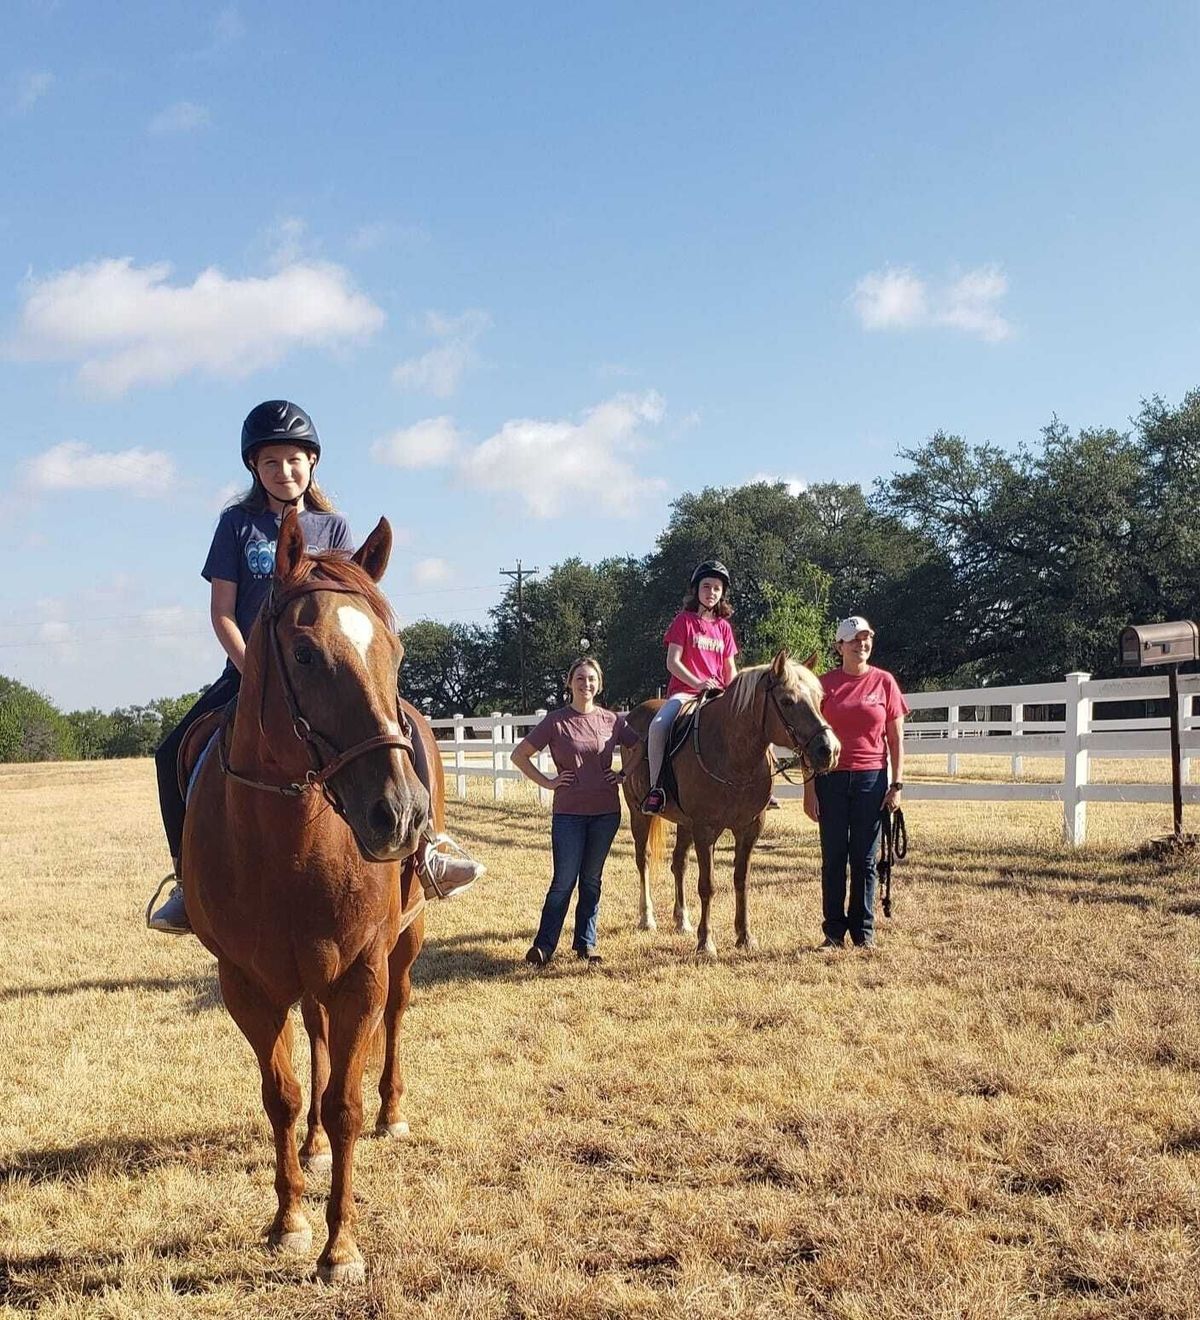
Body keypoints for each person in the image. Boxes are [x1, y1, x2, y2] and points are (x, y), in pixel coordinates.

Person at [147, 400, 484, 934]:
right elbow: (222, 613)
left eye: (294, 460)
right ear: (254, 469)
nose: (284, 471)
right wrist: (254, 670)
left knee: (407, 730)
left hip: (331, 670)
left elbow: (355, 603)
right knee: (171, 752)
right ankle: (188, 881)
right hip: (253, 671)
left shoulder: (335, 528)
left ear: (313, 463)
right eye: (271, 462)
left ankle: (428, 848)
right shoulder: (236, 525)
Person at [510, 657, 639, 966]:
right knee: (564, 880)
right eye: (580, 678)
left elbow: (640, 745)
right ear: (569, 683)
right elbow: (520, 754)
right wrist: (549, 782)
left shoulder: (612, 720)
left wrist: (624, 774)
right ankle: (544, 946)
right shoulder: (556, 721)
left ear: (600, 684)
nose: (586, 684)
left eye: (592, 679)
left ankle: (586, 944)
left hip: (606, 812)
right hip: (568, 814)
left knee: (592, 880)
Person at [803, 615, 908, 950]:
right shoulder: (822, 686)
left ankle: (863, 933)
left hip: (871, 780)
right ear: (839, 647)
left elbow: (896, 739)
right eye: (854, 640)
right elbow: (807, 740)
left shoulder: (885, 683)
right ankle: (833, 933)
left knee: (864, 860)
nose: (861, 645)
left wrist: (897, 784)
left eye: (866, 639)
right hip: (830, 780)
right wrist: (809, 789)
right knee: (833, 858)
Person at [640, 560, 739, 815]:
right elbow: (672, 662)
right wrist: (697, 682)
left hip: (718, 694)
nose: (712, 592)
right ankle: (656, 788)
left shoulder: (724, 628)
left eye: (717, 588)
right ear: (696, 590)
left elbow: (729, 668)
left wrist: (737, 694)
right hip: (685, 693)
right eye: (707, 586)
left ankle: (761, 790)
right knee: (659, 726)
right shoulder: (683, 621)